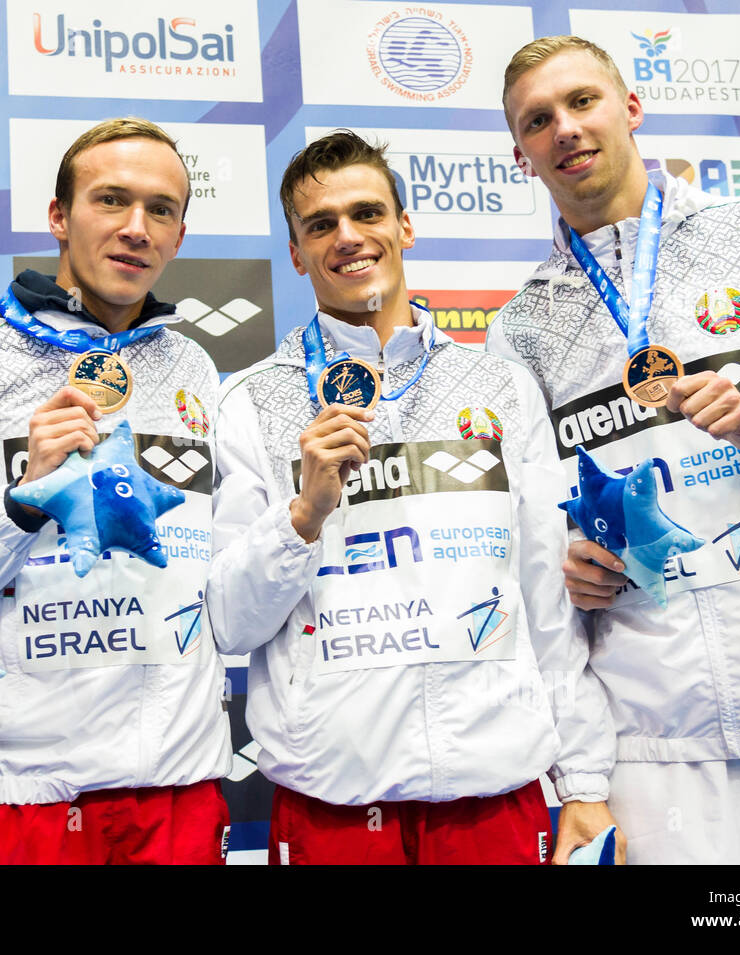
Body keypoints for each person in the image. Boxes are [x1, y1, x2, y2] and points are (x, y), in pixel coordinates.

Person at [490, 35, 740, 863]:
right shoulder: (519, 328)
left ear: (631, 107)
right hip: (652, 735)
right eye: (537, 120)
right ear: (521, 155)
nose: (565, 128)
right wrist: (568, 559)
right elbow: (526, 529)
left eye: (582, 101)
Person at [207, 130, 619, 865]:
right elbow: (231, 623)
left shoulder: (498, 384)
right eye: (320, 224)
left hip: (493, 794)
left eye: (367, 213)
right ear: (297, 253)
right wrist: (302, 517)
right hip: (331, 801)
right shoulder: (253, 400)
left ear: (405, 226)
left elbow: (546, 603)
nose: (348, 237)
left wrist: (583, 779)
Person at [0, 118, 232, 865]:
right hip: (26, 791)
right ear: (58, 217)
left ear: (179, 235)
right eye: (111, 200)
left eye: (160, 209)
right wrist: (19, 500)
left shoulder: (197, 370)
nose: (136, 228)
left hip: (181, 787)